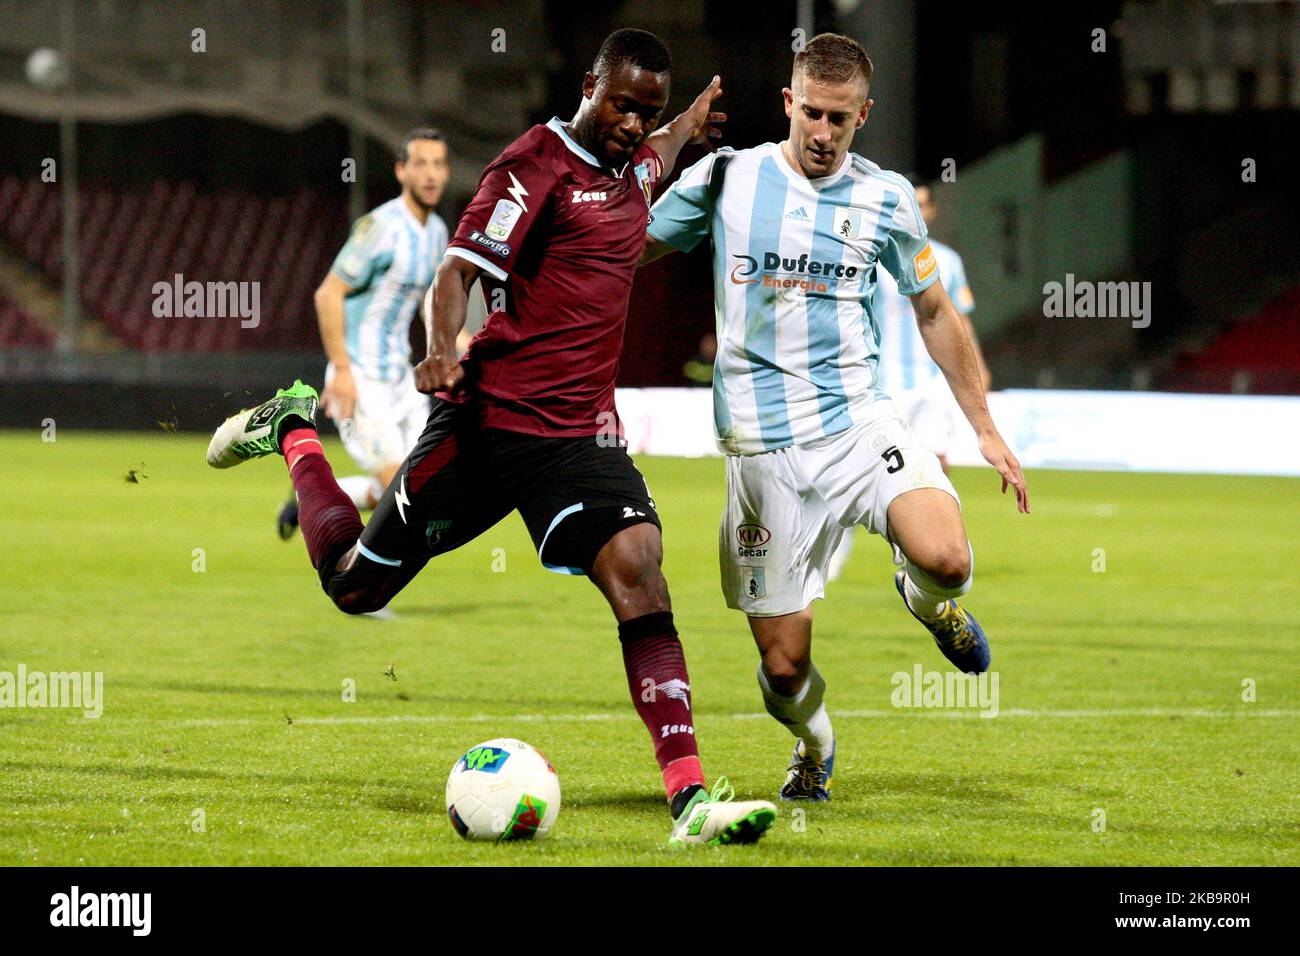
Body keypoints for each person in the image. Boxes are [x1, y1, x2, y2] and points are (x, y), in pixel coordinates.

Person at [207, 28, 776, 846]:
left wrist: (686, 121)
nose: (629, 123)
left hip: (579, 439)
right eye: (620, 104)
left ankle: (690, 800)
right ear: (589, 85)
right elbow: (457, 271)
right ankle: (294, 430)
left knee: (641, 571)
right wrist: (442, 348)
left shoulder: (636, 166)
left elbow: (661, 148)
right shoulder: (533, 165)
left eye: (643, 110)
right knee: (353, 587)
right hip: (487, 425)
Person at [640, 33, 1029, 802]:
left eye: (840, 120)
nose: (822, 133)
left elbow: (934, 309)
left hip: (857, 426)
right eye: (812, 113)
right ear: (789, 102)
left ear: (864, 116)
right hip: (759, 456)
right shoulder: (728, 179)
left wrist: (983, 425)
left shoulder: (884, 198)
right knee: (784, 664)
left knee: (946, 556)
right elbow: (625, 250)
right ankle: (815, 745)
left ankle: (928, 599)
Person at [278, 129, 451, 542]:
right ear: (401, 171)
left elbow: (431, 301)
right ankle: (360, 588)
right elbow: (328, 294)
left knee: (418, 492)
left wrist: (457, 346)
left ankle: (309, 503)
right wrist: (341, 370)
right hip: (361, 380)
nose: (430, 174)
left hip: (401, 380)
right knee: (401, 494)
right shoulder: (379, 227)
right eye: (421, 164)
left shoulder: (439, 232)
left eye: (438, 164)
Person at [827, 177, 991, 581]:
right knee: (855, 468)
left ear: (930, 212)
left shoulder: (948, 261)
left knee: (935, 464)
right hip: (880, 381)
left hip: (931, 382)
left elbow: (957, 320)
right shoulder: (871, 253)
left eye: (922, 205)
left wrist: (979, 367)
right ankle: (834, 552)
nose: (915, 210)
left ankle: (924, 549)